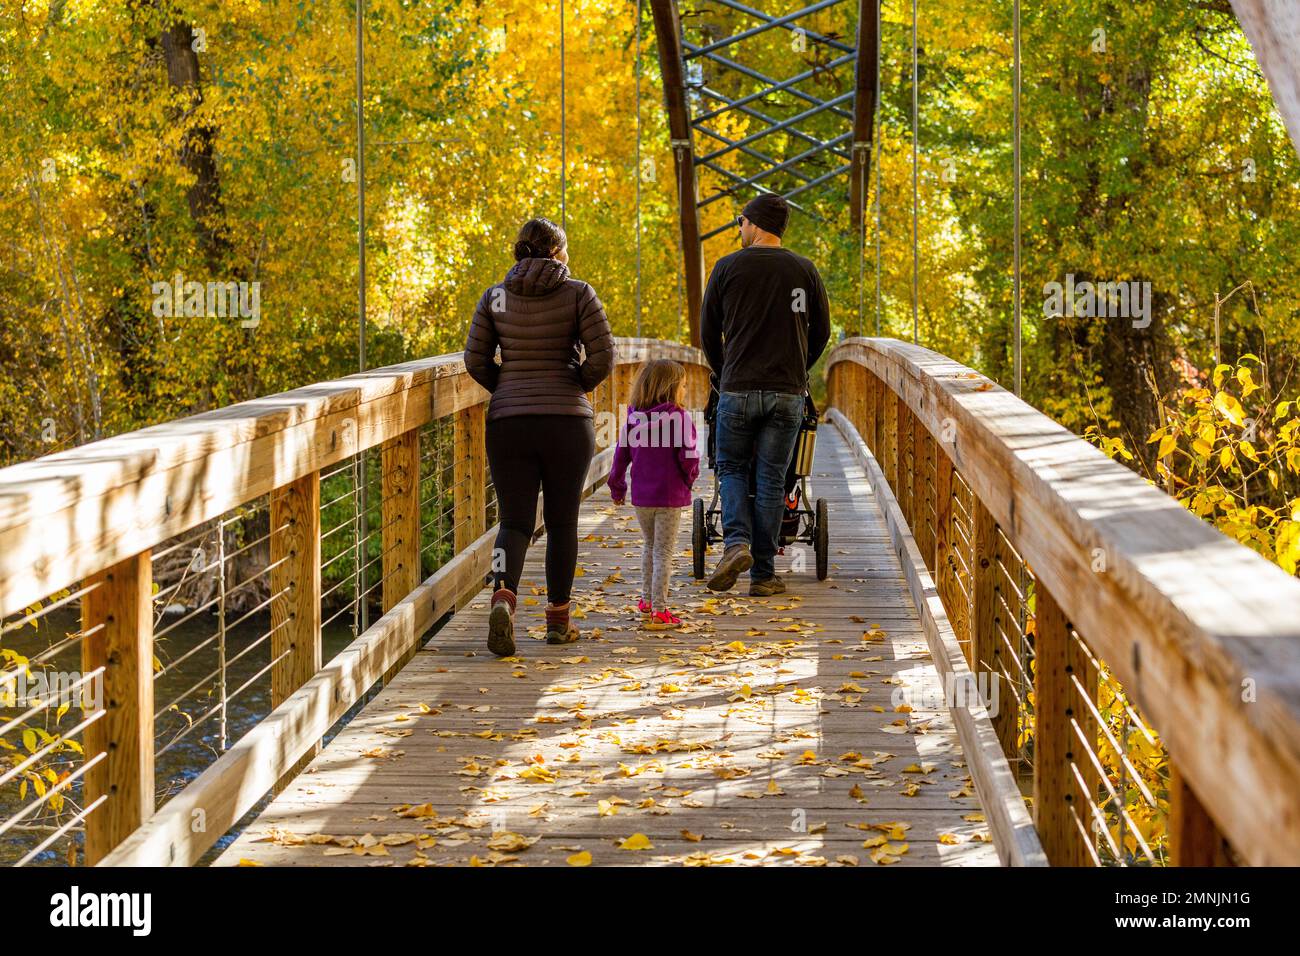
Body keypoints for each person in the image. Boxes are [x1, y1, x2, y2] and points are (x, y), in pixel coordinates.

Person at [463, 217, 615, 656]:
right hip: (567, 422)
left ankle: (503, 598)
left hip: (509, 423)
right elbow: (603, 355)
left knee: (514, 522)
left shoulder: (495, 296)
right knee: (563, 522)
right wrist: (574, 384)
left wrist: (507, 388)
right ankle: (557, 621)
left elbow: (475, 359)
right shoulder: (577, 293)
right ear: (557, 253)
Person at [700, 193, 830, 596]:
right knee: (773, 476)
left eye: (741, 221)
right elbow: (821, 332)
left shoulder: (726, 268)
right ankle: (763, 575)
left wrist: (727, 373)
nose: (739, 228)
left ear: (755, 224)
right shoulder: (804, 270)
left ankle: (735, 544)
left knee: (733, 468)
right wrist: (796, 367)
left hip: (737, 388)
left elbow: (708, 334)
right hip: (786, 392)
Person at [607, 359, 700, 630]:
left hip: (642, 497)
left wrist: (617, 487)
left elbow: (620, 456)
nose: (684, 391)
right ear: (671, 388)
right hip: (669, 497)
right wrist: (689, 478)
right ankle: (660, 611)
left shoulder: (634, 418)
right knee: (664, 551)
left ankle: (646, 602)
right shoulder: (679, 418)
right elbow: (690, 455)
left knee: (649, 547)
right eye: (683, 386)